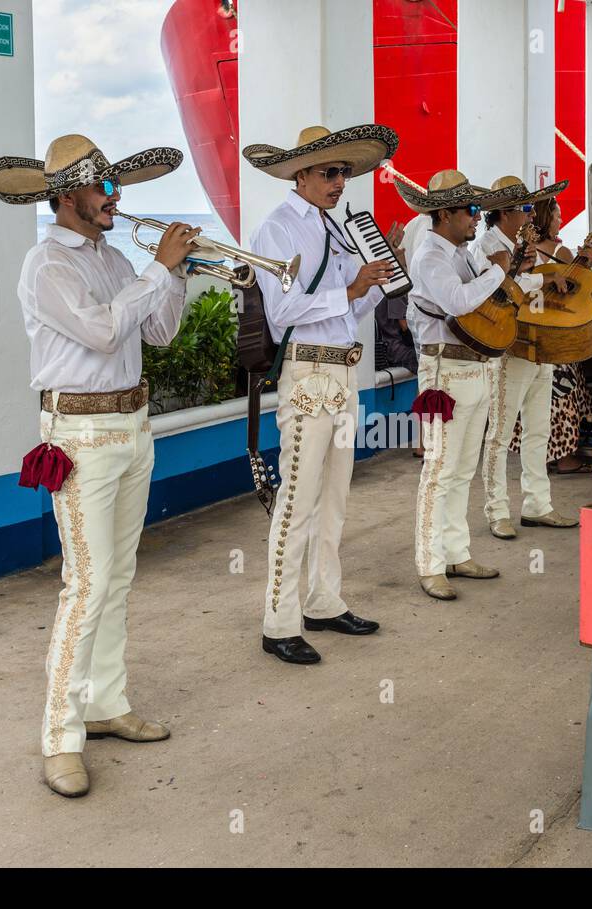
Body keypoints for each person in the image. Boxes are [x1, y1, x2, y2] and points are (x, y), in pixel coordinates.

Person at [0, 134, 197, 798]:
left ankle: (107, 703)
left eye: (115, 187)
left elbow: (156, 332)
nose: (116, 199)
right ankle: (60, 735)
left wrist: (180, 271)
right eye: (103, 189)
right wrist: (158, 268)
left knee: (120, 575)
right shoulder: (47, 264)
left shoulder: (109, 256)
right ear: (67, 196)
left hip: (132, 427)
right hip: (79, 435)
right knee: (87, 583)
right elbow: (104, 331)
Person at [245, 123, 400, 665]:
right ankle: (279, 620)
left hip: (340, 371)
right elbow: (282, 312)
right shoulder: (278, 230)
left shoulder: (335, 230)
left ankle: (324, 600)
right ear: (302, 174)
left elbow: (346, 313)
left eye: (345, 172)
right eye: (331, 172)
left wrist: (372, 284)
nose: (340, 181)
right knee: (297, 499)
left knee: (334, 498)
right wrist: (351, 288)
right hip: (308, 376)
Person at [400, 170, 507, 600]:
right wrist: (498, 274)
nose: (476, 218)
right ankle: (429, 563)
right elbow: (459, 302)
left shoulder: (461, 253)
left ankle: (456, 551)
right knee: (438, 468)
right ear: (445, 214)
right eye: (470, 210)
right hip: (440, 373)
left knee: (461, 468)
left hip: (472, 368)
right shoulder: (430, 256)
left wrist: (494, 272)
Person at [473, 175, 579, 539]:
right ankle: (497, 509)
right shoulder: (487, 245)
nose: (529, 214)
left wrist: (545, 280)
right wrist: (529, 275)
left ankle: (537, 504)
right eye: (523, 208)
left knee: (539, 429)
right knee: (500, 434)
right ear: (504, 213)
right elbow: (492, 293)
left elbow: (527, 285)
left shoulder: (523, 243)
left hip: (537, 341)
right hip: (508, 345)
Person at [526, 197, 592, 474]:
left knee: (538, 399)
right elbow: (576, 292)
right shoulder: (562, 252)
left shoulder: (526, 252)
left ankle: (543, 456)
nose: (560, 220)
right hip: (558, 333)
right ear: (547, 219)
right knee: (563, 396)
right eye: (557, 216)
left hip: (532, 331)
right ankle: (566, 457)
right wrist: (588, 260)